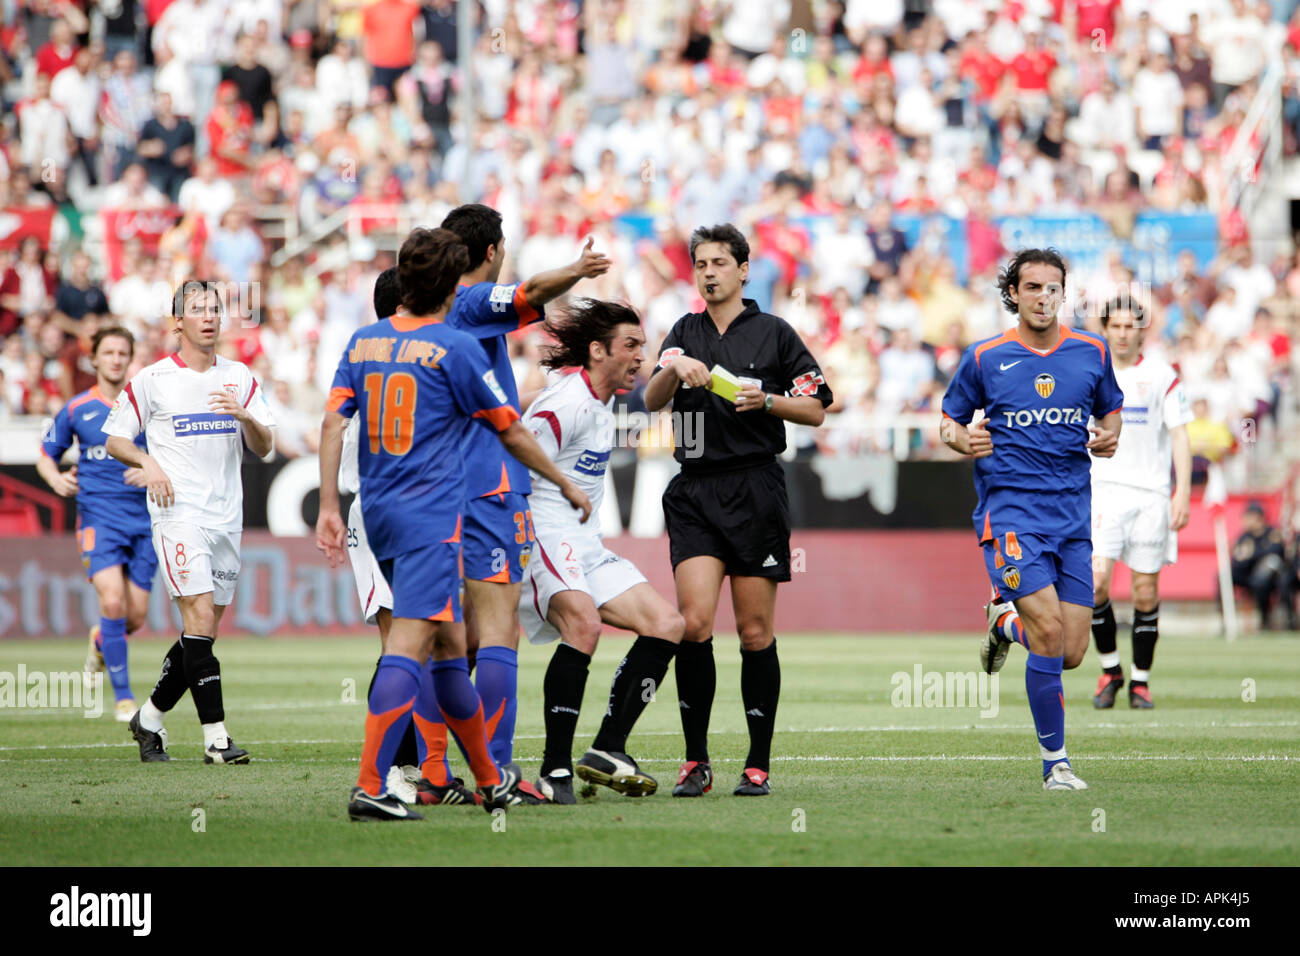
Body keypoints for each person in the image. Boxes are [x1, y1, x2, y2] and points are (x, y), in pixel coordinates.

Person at [315, 227, 592, 821]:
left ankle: (488, 779)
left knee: (448, 648)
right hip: (431, 517)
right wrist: (564, 481)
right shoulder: (454, 347)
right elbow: (510, 428)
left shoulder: (362, 342)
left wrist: (328, 508)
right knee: (414, 643)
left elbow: (334, 422)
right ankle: (372, 785)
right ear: (451, 283)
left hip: (380, 512)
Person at [643, 223, 833, 798]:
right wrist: (671, 371)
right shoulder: (682, 331)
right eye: (700, 263)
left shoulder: (774, 333)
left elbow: (818, 407)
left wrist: (768, 400)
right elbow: (649, 399)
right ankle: (695, 761)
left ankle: (757, 764)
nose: (708, 271)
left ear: (744, 270)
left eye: (720, 262)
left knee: (754, 632)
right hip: (695, 490)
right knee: (693, 624)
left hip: (755, 488)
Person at [437, 203, 610, 792]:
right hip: (486, 485)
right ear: (490, 251)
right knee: (497, 629)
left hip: (438, 485)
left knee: (444, 631)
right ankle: (499, 768)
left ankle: (430, 768)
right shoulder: (467, 300)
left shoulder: (428, 313)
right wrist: (579, 270)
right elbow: (528, 292)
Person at [941, 247, 1123, 792]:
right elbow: (950, 420)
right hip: (1012, 511)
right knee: (1047, 632)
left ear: (1062, 294)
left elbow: (1110, 408)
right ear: (1013, 294)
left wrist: (1112, 434)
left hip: (1072, 514)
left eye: (1053, 288)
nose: (1044, 297)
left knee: (1069, 652)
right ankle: (1056, 765)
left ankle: (1003, 623)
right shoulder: (985, 356)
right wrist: (960, 439)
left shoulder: (1092, 351)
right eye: (1033, 287)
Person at [519, 300, 685, 803]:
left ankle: (608, 748)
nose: (641, 356)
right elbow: (513, 456)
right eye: (631, 346)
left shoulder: (606, 398)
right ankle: (554, 772)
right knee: (584, 626)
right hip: (545, 533)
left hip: (586, 542)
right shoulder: (564, 403)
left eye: (643, 345)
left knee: (668, 624)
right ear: (597, 351)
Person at [104, 281, 276, 764]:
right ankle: (216, 740)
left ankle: (150, 718)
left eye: (215, 309)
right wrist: (149, 464)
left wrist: (246, 416)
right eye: (197, 309)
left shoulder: (240, 376)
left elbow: (265, 446)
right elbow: (117, 438)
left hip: (227, 518)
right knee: (199, 619)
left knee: (201, 634)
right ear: (177, 322)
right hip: (178, 516)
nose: (208, 316)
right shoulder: (153, 379)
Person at [38, 327, 157, 722]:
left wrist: (151, 469)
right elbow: (46, 453)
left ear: (131, 359)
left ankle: (100, 640)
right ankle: (124, 699)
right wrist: (55, 479)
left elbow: (171, 454)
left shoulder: (147, 408)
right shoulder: (77, 409)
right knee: (112, 602)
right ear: (95, 359)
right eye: (109, 352)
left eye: (123, 352)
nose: (116, 359)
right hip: (98, 519)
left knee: (134, 618)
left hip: (144, 520)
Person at [1090, 296, 1193, 709]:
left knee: (1144, 590)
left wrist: (1181, 490)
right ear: (1105, 330)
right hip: (1103, 490)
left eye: (1129, 326)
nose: (1122, 332)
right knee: (1096, 583)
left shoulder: (1162, 375)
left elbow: (1181, 434)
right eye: (1114, 326)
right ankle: (1110, 670)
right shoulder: (1090, 373)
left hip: (1151, 494)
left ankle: (1140, 681)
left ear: (1141, 330)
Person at [1230, 503, 1289, 631]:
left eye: (1248, 517)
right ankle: (1226, 620)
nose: (1244, 520)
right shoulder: (1244, 537)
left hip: (1271, 580)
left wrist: (1251, 554)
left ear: (1258, 518)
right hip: (1249, 576)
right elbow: (1237, 559)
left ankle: (1266, 619)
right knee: (1225, 576)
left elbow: (1276, 553)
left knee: (1261, 582)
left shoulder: (1272, 533)